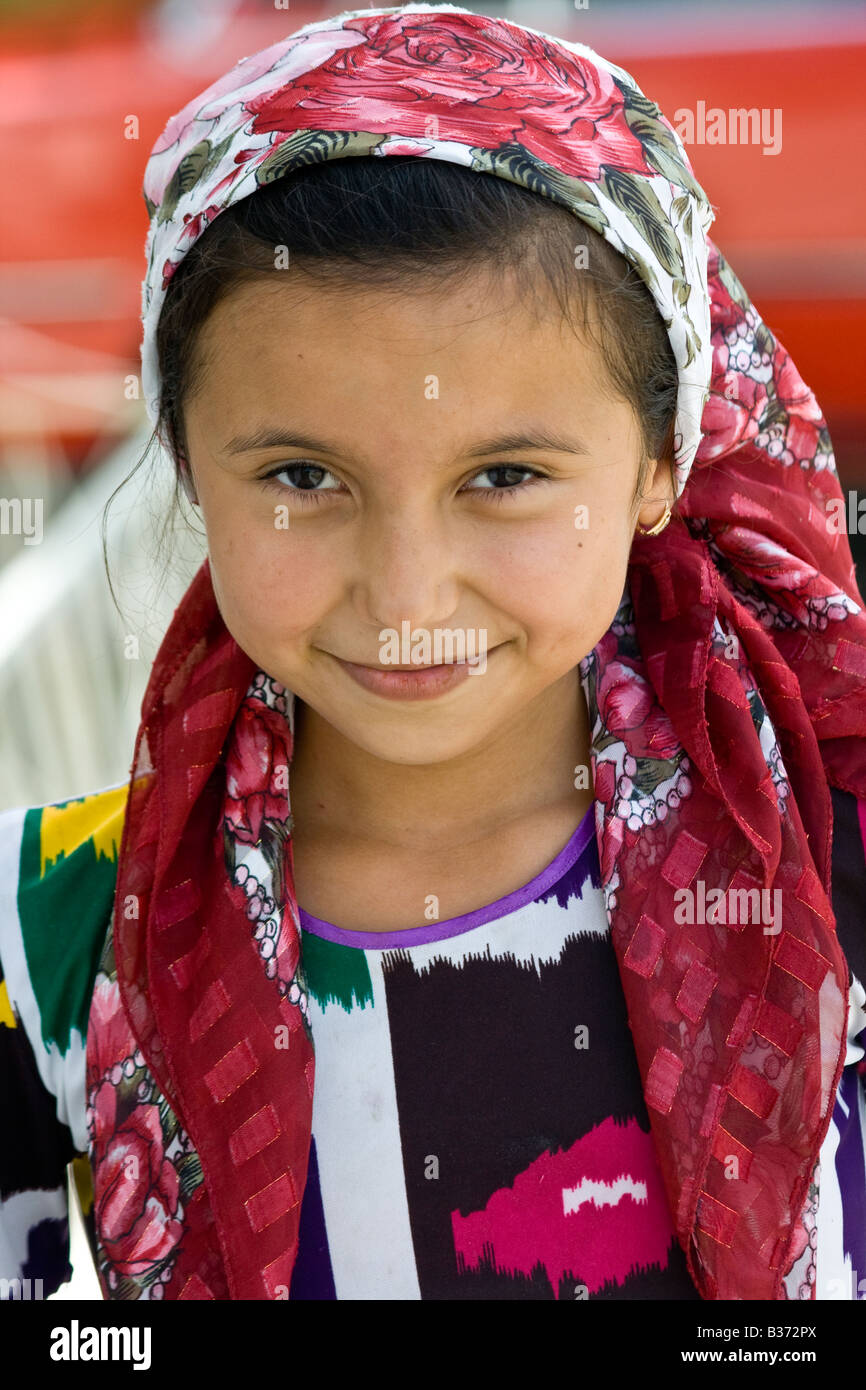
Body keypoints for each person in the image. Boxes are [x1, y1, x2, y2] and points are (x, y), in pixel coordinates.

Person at [1, 2, 865, 1303]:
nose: (406, 591)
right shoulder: (47, 934)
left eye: (504, 477)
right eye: (303, 476)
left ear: (657, 465)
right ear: (185, 461)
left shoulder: (828, 848)